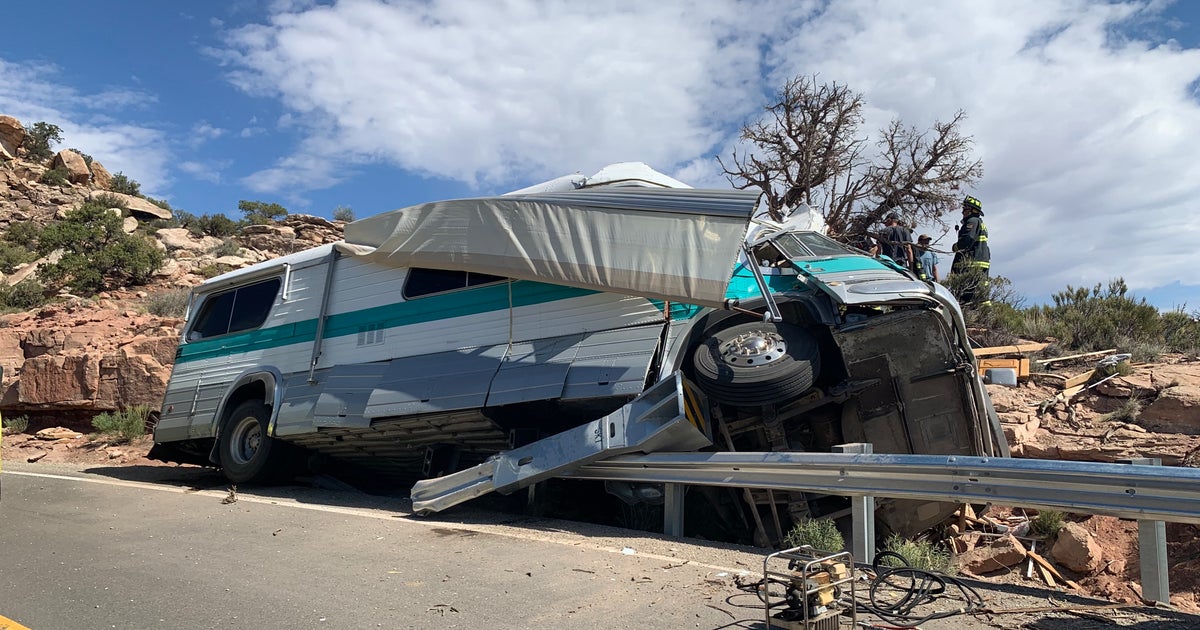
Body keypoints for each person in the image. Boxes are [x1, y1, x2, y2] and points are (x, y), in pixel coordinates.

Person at [951, 195, 991, 306]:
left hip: (971, 263)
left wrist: (956, 247)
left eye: (965, 209)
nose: (962, 212)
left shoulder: (972, 221)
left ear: (972, 210)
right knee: (981, 292)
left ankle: (970, 312)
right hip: (980, 261)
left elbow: (968, 239)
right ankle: (984, 312)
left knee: (967, 293)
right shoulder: (979, 222)